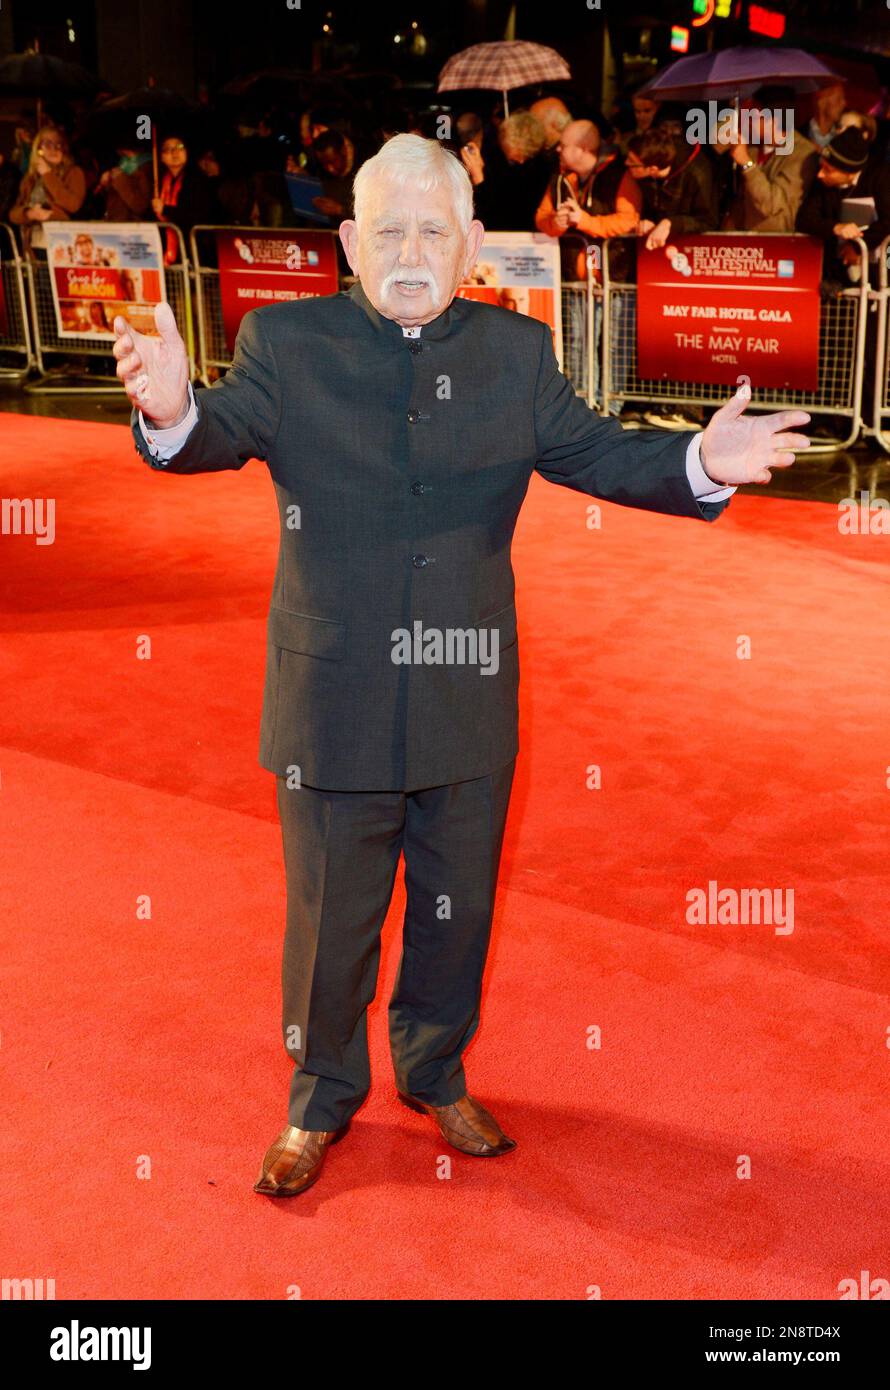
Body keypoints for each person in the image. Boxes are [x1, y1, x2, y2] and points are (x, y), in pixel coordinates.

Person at [113, 133, 810, 1199]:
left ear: (471, 243)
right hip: (333, 696)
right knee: (330, 920)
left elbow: (598, 452)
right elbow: (219, 428)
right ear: (346, 240)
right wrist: (171, 412)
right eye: (385, 227)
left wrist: (695, 464)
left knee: (456, 907)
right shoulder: (283, 343)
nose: (408, 248)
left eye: (432, 228)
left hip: (464, 691)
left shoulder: (512, 356)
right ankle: (319, 1098)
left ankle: (433, 1069)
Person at [535, 119, 640, 406]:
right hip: (578, 278)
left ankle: (612, 404)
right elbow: (542, 217)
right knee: (577, 343)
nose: (558, 149)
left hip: (613, 277)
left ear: (582, 149)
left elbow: (629, 220)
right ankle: (581, 403)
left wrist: (585, 220)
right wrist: (555, 223)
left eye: (564, 145)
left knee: (614, 344)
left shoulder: (620, 176)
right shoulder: (560, 179)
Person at [721, 87, 819, 233]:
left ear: (773, 120)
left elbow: (771, 204)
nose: (748, 121)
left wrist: (747, 164)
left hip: (777, 244)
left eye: (754, 117)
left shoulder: (803, 154)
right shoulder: (752, 147)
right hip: (743, 242)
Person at [8, 125, 86, 254]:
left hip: (63, 244)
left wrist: (47, 174)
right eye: (48, 144)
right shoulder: (30, 178)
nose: (54, 149)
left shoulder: (74, 172)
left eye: (58, 144)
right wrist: (29, 213)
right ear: (38, 148)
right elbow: (13, 214)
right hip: (34, 245)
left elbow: (73, 205)